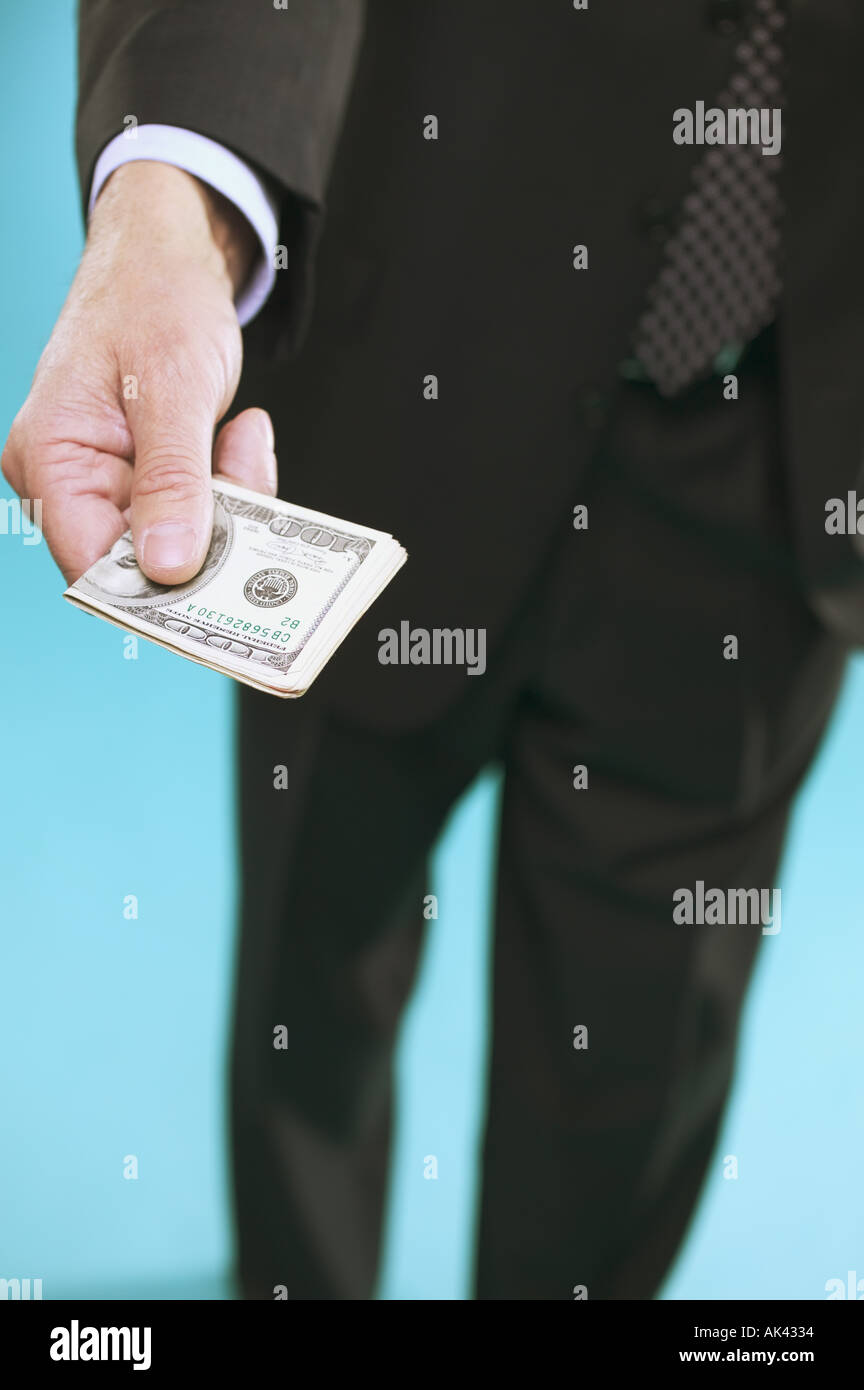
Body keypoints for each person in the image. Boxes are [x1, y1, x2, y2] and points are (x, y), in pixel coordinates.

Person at [3, 0, 863, 1300]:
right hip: (409, 361)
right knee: (312, 980)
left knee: (631, 1072)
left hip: (783, 445)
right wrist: (178, 198)